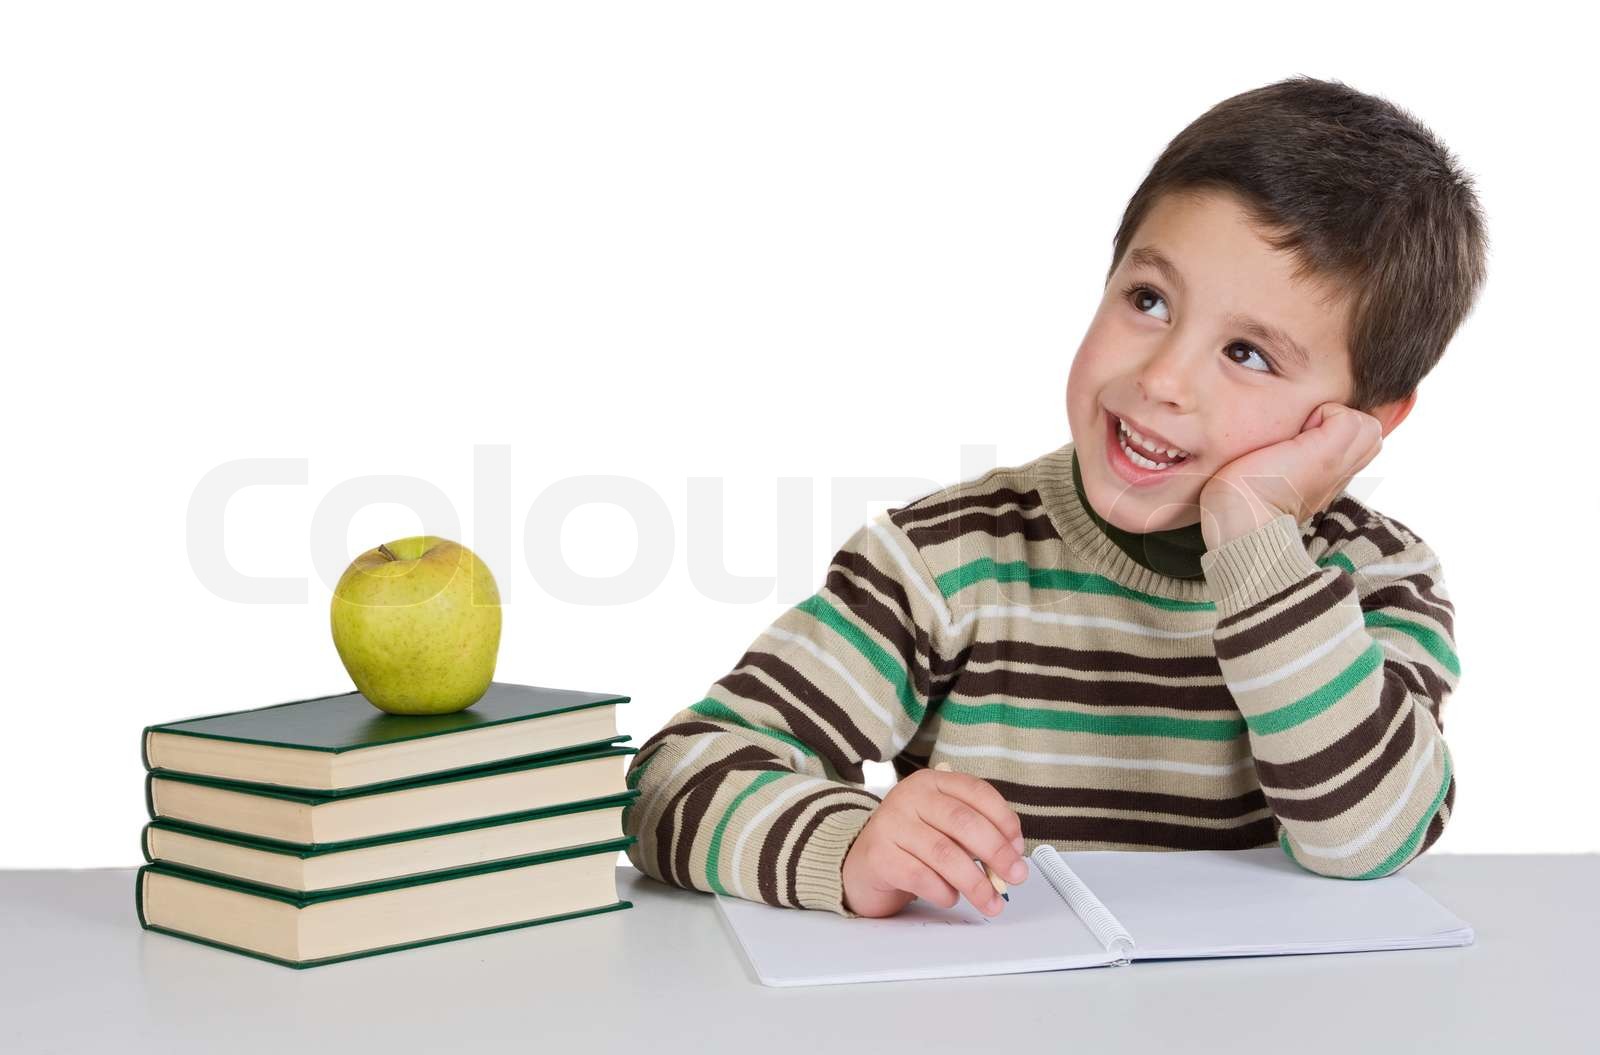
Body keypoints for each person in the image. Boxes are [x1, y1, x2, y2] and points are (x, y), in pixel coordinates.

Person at [623, 74, 1486, 919]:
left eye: (1248, 354)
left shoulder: (1374, 579)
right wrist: (848, 845)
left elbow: (1371, 838)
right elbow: (670, 782)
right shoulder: (946, 559)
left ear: (1364, 421)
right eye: (1149, 300)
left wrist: (1257, 535)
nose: (1163, 378)